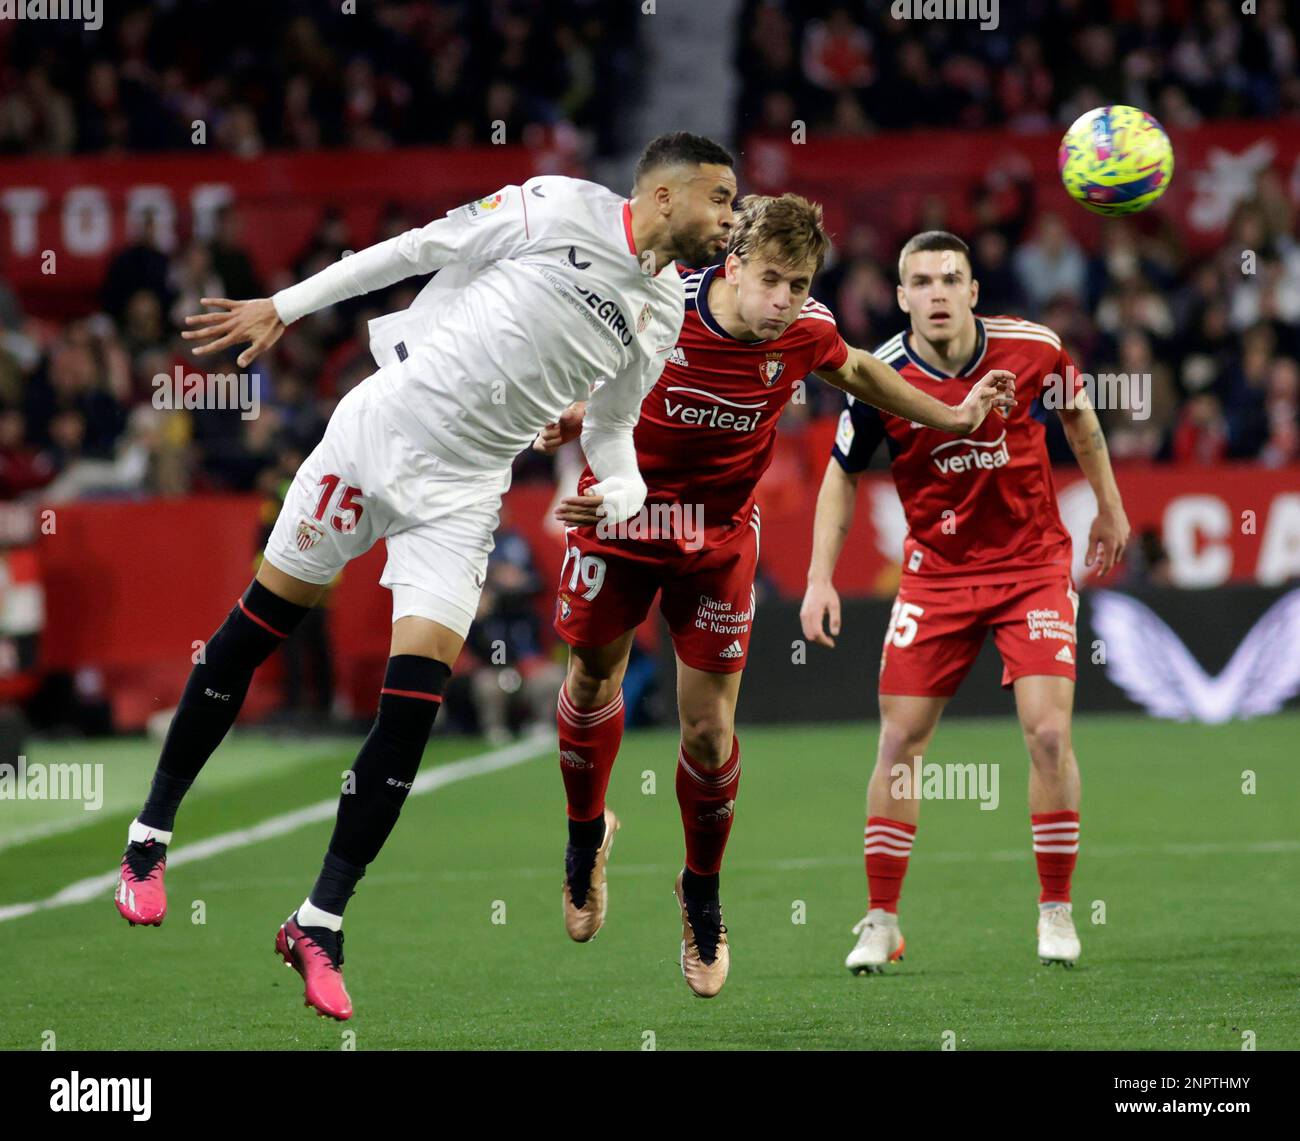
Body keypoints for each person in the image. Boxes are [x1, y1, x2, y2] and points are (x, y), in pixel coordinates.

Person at [112, 131, 739, 1020]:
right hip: (380, 438)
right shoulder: (558, 207)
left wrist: (625, 491)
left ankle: (319, 919)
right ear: (668, 196)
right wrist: (285, 307)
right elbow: (416, 250)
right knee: (260, 625)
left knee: (413, 708)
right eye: (721, 197)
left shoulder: (665, 310)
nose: (731, 218)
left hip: (464, 495)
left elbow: (611, 427)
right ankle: (149, 835)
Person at [534, 198, 1014, 997]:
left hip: (717, 541)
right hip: (619, 517)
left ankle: (702, 894)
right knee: (590, 678)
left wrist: (955, 415)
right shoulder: (655, 301)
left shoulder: (803, 330)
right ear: (731, 266)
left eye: (798, 283)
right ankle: (586, 835)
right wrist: (573, 415)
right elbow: (582, 367)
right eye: (770, 281)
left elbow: (860, 369)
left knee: (711, 728)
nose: (785, 299)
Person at [800, 230, 1131, 974]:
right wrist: (821, 575)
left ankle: (1055, 909)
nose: (939, 292)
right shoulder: (878, 374)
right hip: (936, 576)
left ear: (975, 290)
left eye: (952, 278)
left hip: (1032, 566)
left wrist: (1109, 507)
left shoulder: (1035, 347)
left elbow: (1079, 417)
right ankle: (882, 919)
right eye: (922, 280)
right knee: (899, 743)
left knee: (1048, 734)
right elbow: (841, 473)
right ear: (902, 294)